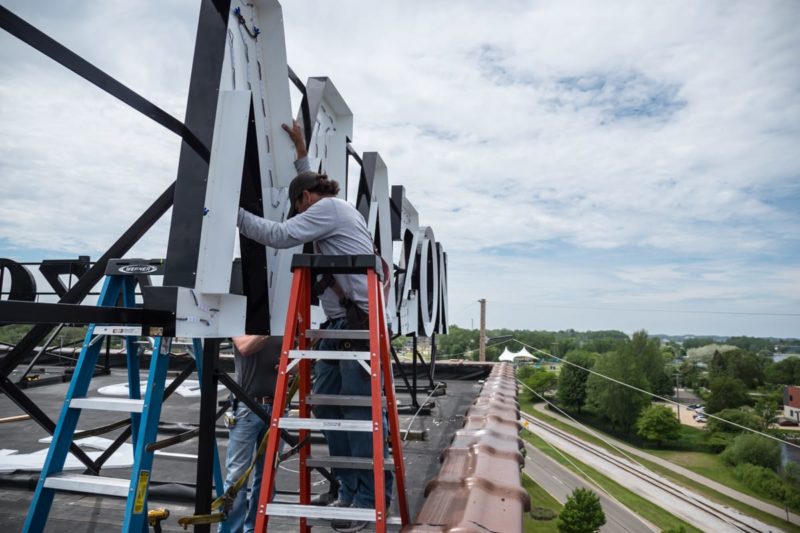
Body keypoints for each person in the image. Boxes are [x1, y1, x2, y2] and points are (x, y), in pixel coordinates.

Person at [236, 121, 392, 532]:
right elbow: (309, 185)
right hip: (342, 323)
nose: (302, 214)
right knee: (325, 403)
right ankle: (346, 486)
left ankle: (366, 499)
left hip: (355, 327)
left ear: (306, 199)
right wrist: (302, 152)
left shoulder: (323, 210)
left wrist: (226, 213)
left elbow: (280, 234)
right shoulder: (336, 207)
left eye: (300, 204)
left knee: (358, 416)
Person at [223, 334, 282, 533]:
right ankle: (232, 530)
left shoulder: (283, 326)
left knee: (267, 478)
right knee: (237, 475)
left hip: (276, 406)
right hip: (247, 407)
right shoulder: (241, 323)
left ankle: (255, 529)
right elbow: (246, 347)